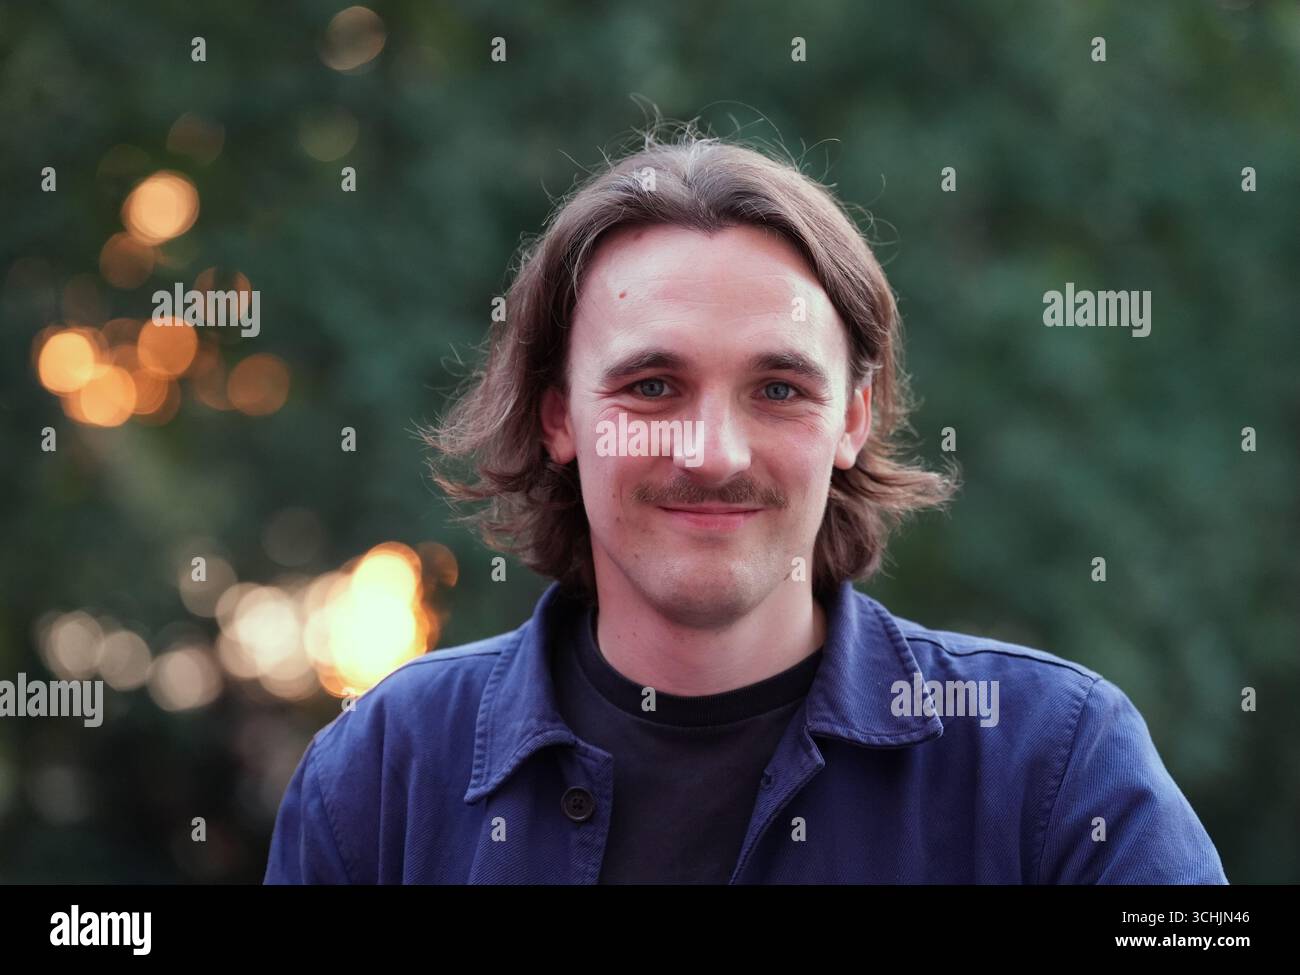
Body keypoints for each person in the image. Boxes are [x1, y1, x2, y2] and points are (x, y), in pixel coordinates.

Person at [264, 127, 1227, 884]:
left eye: (778, 390)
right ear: (559, 417)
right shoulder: (380, 775)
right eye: (652, 387)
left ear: (852, 419)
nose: (713, 454)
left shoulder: (1053, 763)